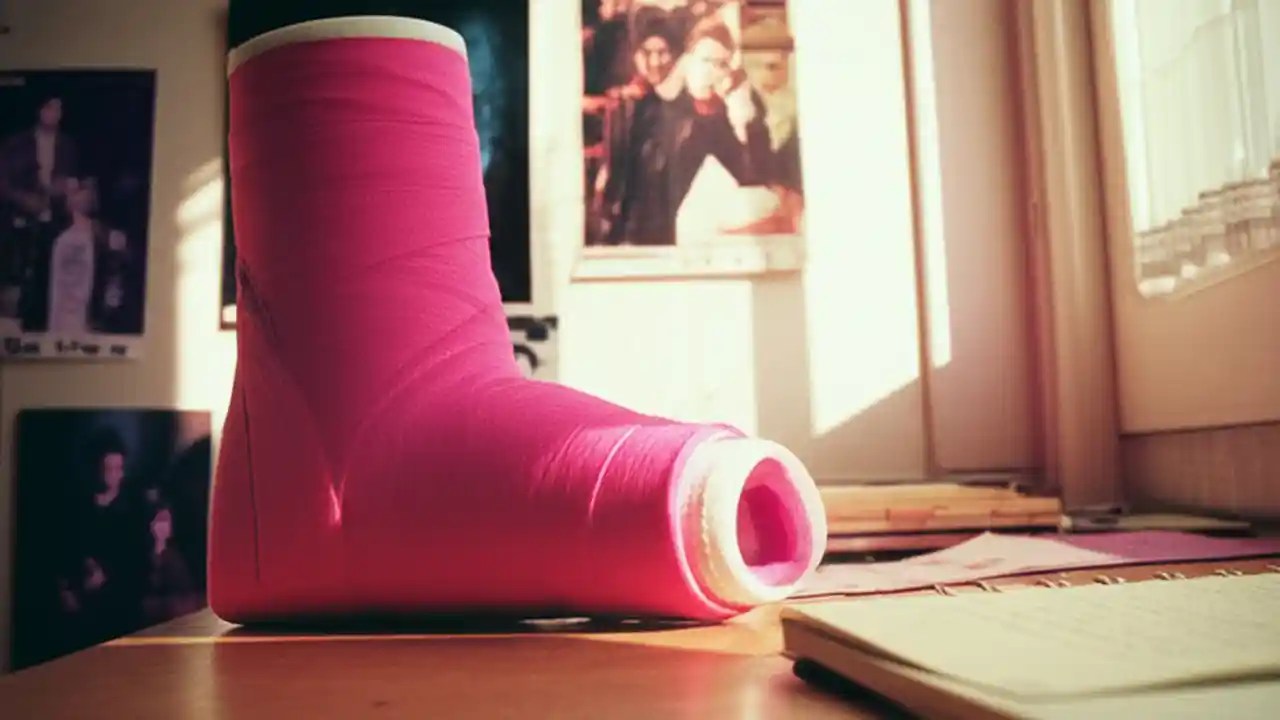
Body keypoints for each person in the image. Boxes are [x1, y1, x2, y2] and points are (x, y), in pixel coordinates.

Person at [0, 95, 79, 330]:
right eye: (50, 108)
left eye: (59, 109)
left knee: (47, 278)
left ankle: (40, 326)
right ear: (39, 110)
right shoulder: (16, 143)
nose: (54, 114)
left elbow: (73, 179)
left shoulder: (68, 145)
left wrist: (65, 187)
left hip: (54, 221)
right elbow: (3, 184)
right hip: (18, 221)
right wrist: (24, 199)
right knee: (14, 278)